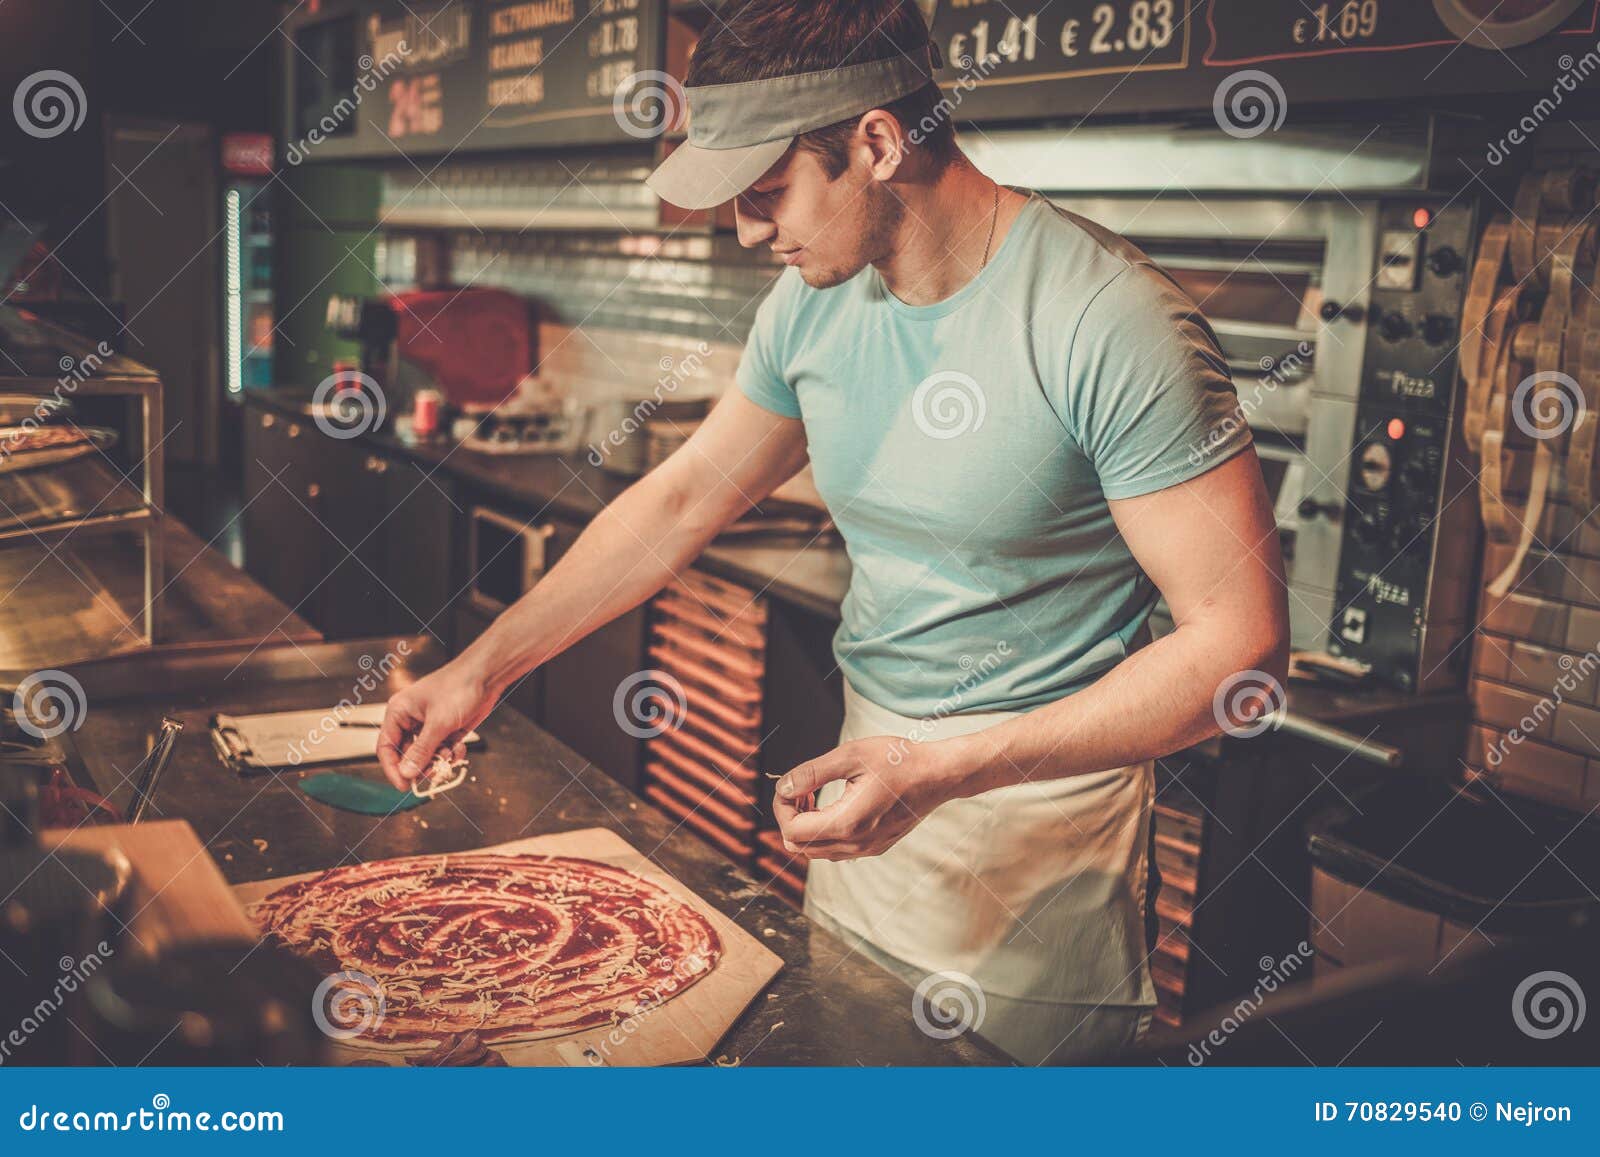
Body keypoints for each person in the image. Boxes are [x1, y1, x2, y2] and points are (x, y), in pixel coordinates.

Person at [378, 0, 1288, 1064]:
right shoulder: (816, 301)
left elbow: (1241, 650)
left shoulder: (1108, 321)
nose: (748, 231)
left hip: (1034, 845)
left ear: (876, 140)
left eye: (766, 192)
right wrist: (480, 670)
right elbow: (680, 501)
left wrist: (944, 766)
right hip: (867, 810)